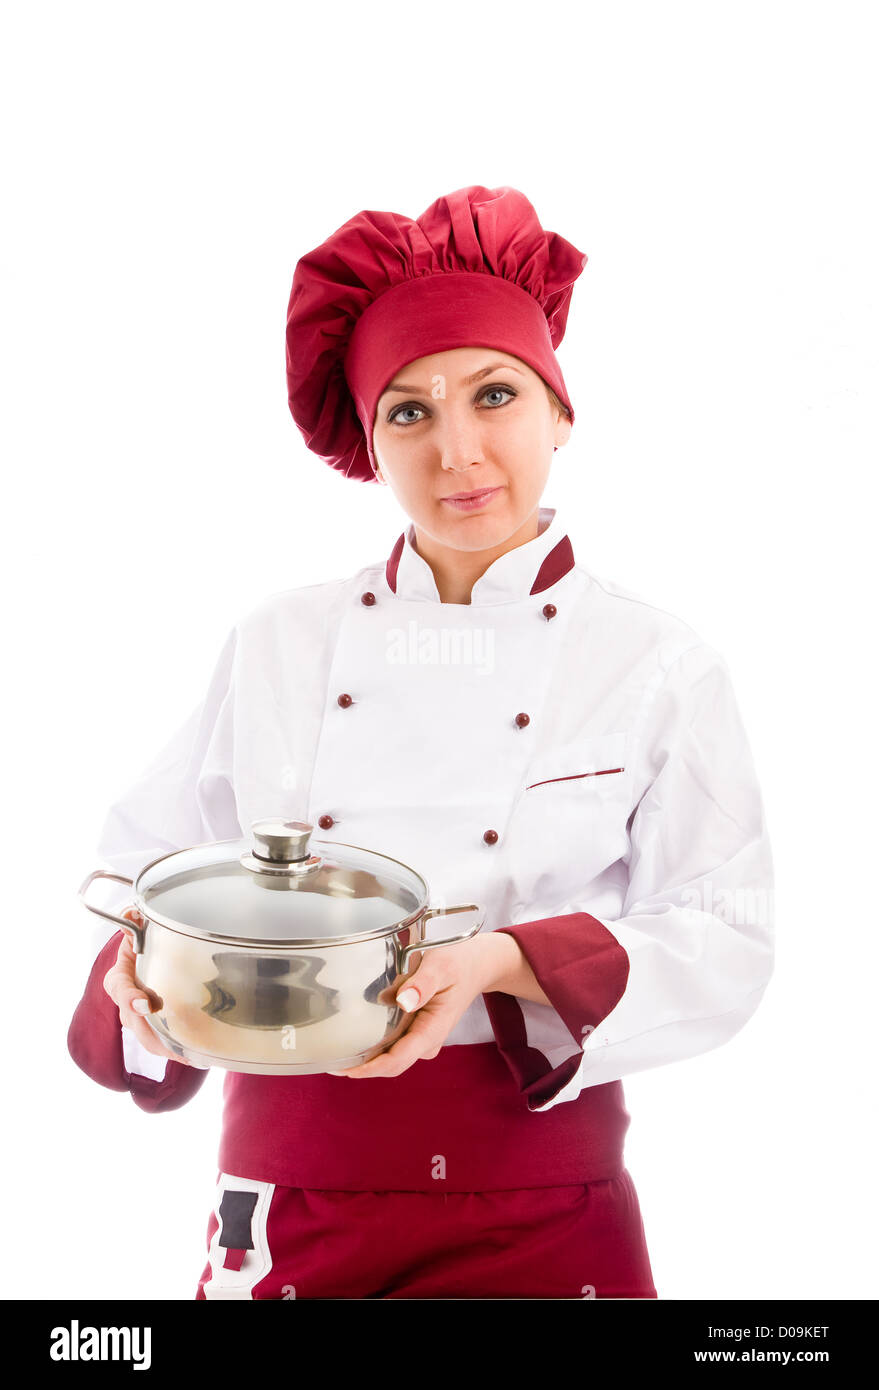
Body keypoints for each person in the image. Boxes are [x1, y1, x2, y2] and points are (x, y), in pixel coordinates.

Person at [68, 185, 775, 1300]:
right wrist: (146, 986)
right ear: (367, 442)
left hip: (543, 1203)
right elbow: (154, 881)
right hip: (294, 1189)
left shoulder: (655, 660)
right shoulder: (280, 642)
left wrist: (497, 959)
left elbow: (724, 936)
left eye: (495, 395)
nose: (458, 451)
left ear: (561, 413)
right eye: (409, 412)